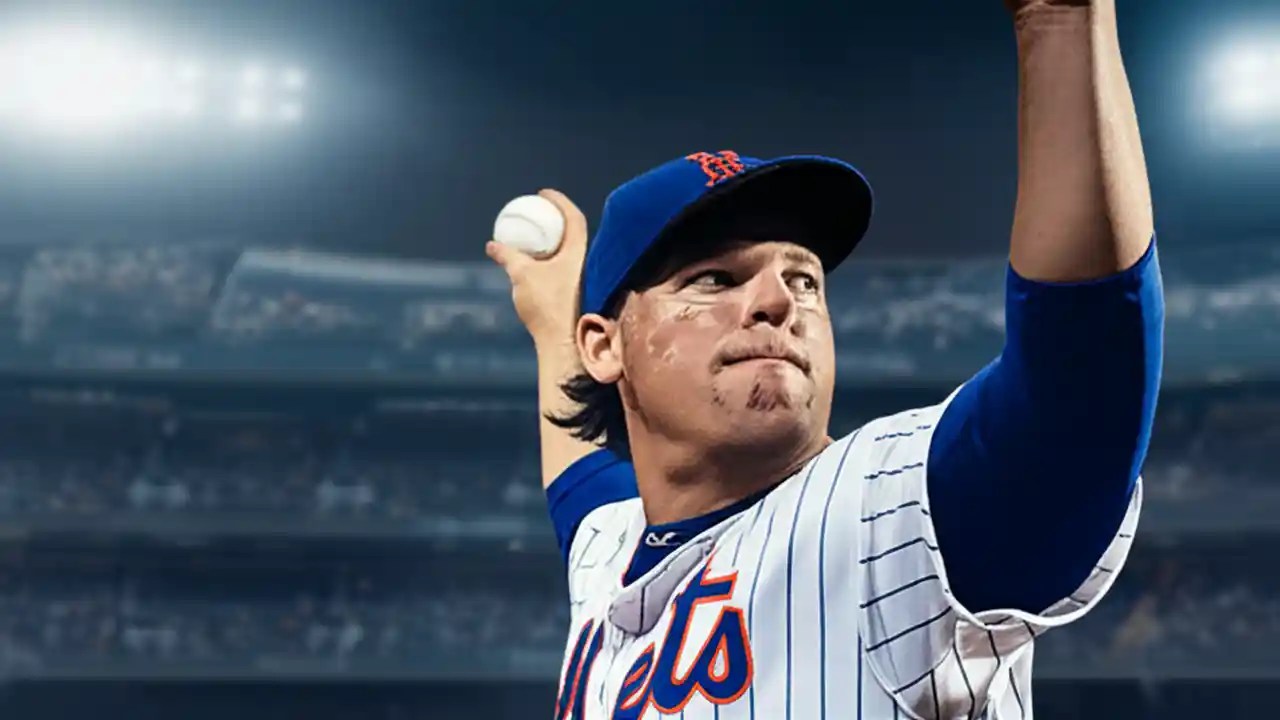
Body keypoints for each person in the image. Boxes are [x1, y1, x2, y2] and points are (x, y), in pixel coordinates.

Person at [486, 1, 1163, 716]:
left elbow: (1078, 389)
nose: (778, 301)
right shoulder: (609, 545)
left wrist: (1059, 25)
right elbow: (578, 476)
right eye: (714, 279)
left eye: (803, 279)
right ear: (604, 344)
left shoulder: (887, 512)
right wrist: (552, 320)